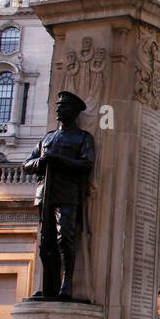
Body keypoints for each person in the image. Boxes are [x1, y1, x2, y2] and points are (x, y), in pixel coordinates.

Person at [24, 91, 95, 299]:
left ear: (73, 112)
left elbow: (86, 164)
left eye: (63, 106)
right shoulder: (47, 138)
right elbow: (27, 164)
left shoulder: (82, 138)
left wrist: (59, 160)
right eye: (57, 106)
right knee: (46, 242)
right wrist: (42, 162)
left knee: (65, 238)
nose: (58, 109)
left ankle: (67, 285)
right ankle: (48, 287)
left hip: (67, 194)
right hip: (45, 195)